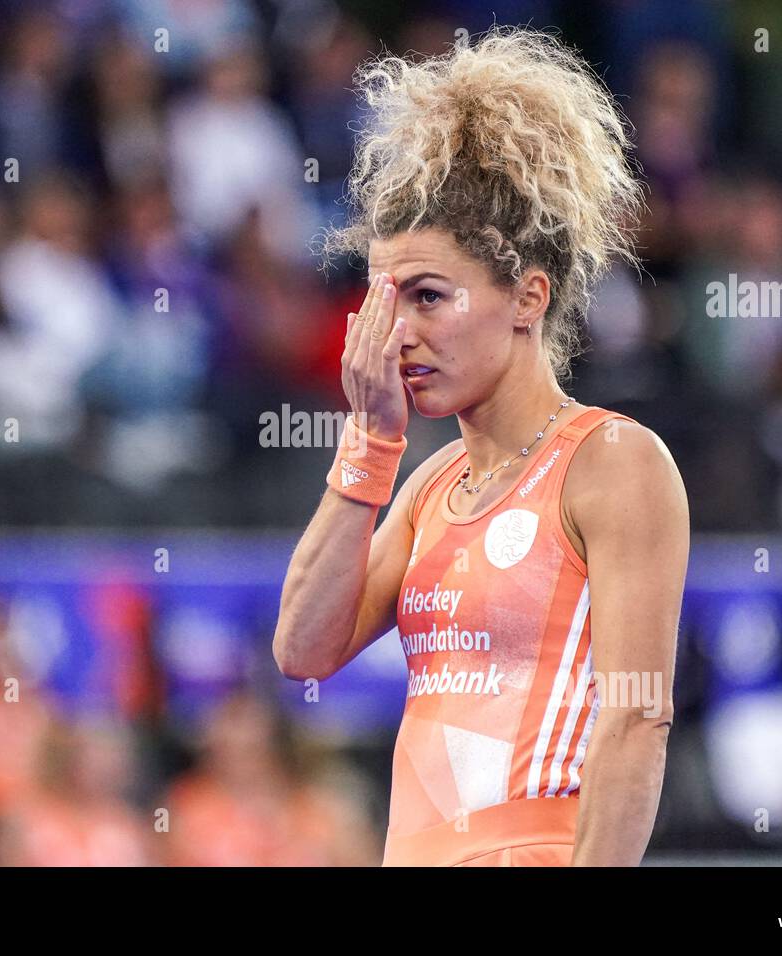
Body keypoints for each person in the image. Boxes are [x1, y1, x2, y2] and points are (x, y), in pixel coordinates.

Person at [273, 26, 689, 866]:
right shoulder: (430, 487)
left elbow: (638, 713)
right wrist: (370, 439)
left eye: (429, 298)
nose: (400, 336)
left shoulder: (612, 462)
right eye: (387, 305)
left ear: (528, 297)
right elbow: (303, 648)